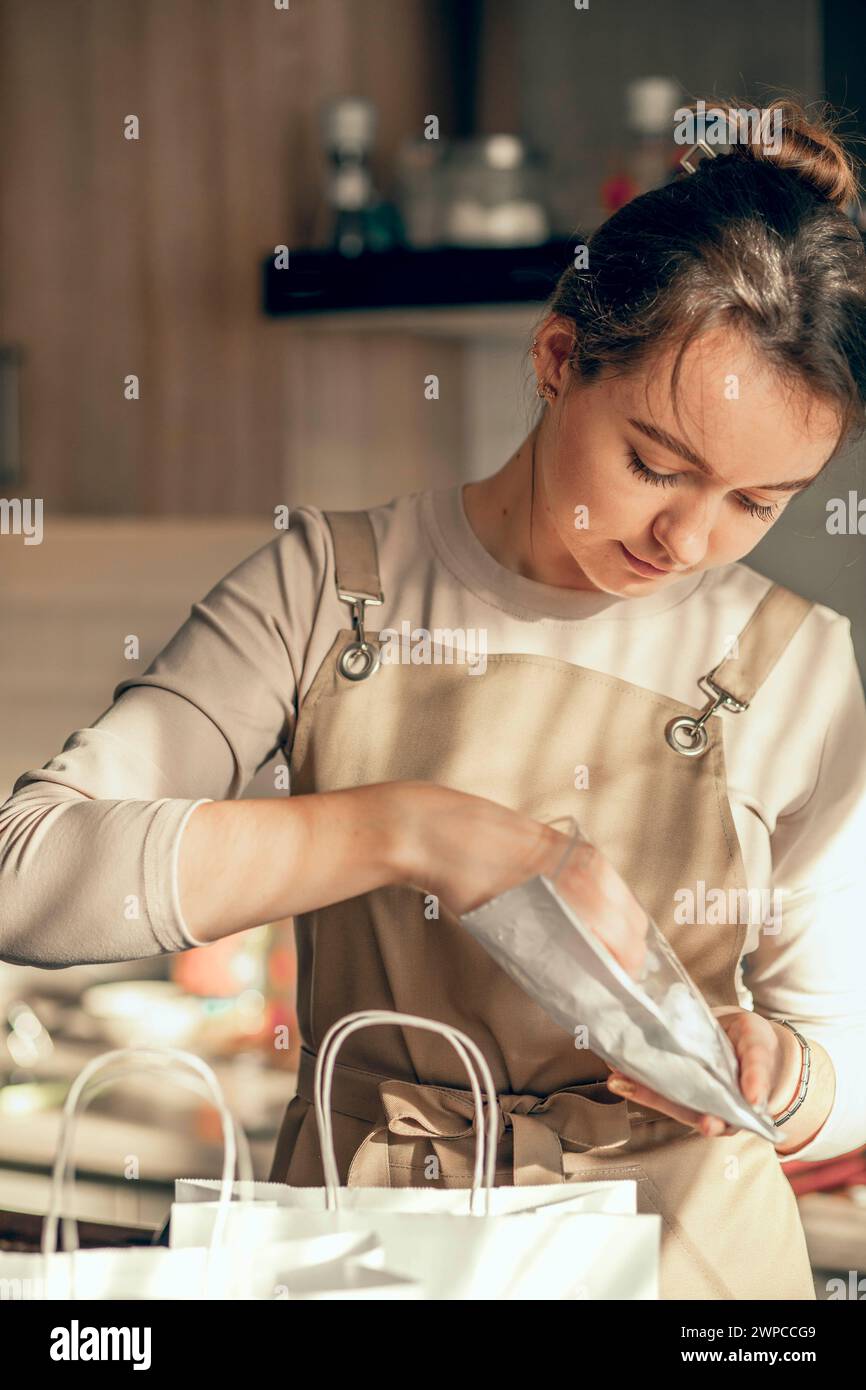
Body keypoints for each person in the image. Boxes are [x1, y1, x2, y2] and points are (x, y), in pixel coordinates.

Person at [3, 97, 866, 1300]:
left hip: (690, 1275)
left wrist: (781, 1078)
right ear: (558, 357)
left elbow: (840, 1076)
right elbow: (28, 876)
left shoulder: (797, 663)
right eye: (653, 466)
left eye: (754, 502)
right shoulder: (330, 588)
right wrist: (413, 829)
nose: (687, 536)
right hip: (373, 1253)